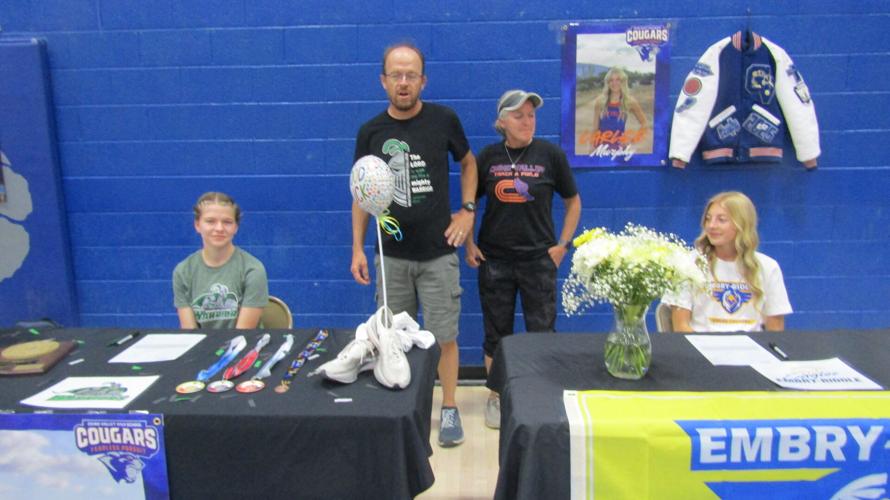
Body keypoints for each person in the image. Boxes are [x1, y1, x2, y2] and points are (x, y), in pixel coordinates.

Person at [351, 42, 477, 447]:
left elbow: (469, 162)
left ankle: (451, 408)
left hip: (439, 254)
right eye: (395, 75)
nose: (403, 83)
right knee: (391, 340)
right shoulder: (371, 132)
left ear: (423, 80)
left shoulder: (444, 120)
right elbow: (360, 193)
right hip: (392, 257)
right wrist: (357, 247)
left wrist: (467, 210)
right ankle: (403, 411)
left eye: (410, 75)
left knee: (444, 337)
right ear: (383, 80)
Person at [465, 90, 581, 429]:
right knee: (496, 333)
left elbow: (573, 201)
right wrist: (469, 243)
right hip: (495, 259)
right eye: (519, 116)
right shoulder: (487, 158)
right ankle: (497, 397)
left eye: (531, 115)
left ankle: (541, 396)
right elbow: (468, 205)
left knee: (541, 331)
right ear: (502, 121)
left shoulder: (550, 155)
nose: (527, 121)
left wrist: (563, 244)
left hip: (538, 260)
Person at [662, 191, 792, 332]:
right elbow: (681, 327)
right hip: (701, 348)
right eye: (708, 219)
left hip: (751, 351)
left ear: (742, 224)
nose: (711, 226)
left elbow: (775, 330)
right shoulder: (688, 263)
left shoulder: (768, 267)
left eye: (721, 220)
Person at [173, 192, 268, 330]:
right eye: (210, 221)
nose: (219, 228)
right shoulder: (182, 271)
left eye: (227, 222)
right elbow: (190, 333)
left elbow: (242, 335)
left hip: (241, 347)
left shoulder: (253, 270)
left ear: (236, 227)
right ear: (197, 225)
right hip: (202, 348)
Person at [591, 67, 649, 150]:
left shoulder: (630, 101)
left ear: (623, 82)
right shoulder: (600, 101)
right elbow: (595, 128)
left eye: (618, 79)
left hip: (619, 149)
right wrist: (591, 148)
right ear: (608, 82)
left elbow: (645, 124)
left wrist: (632, 140)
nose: (614, 83)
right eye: (611, 80)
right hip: (600, 148)